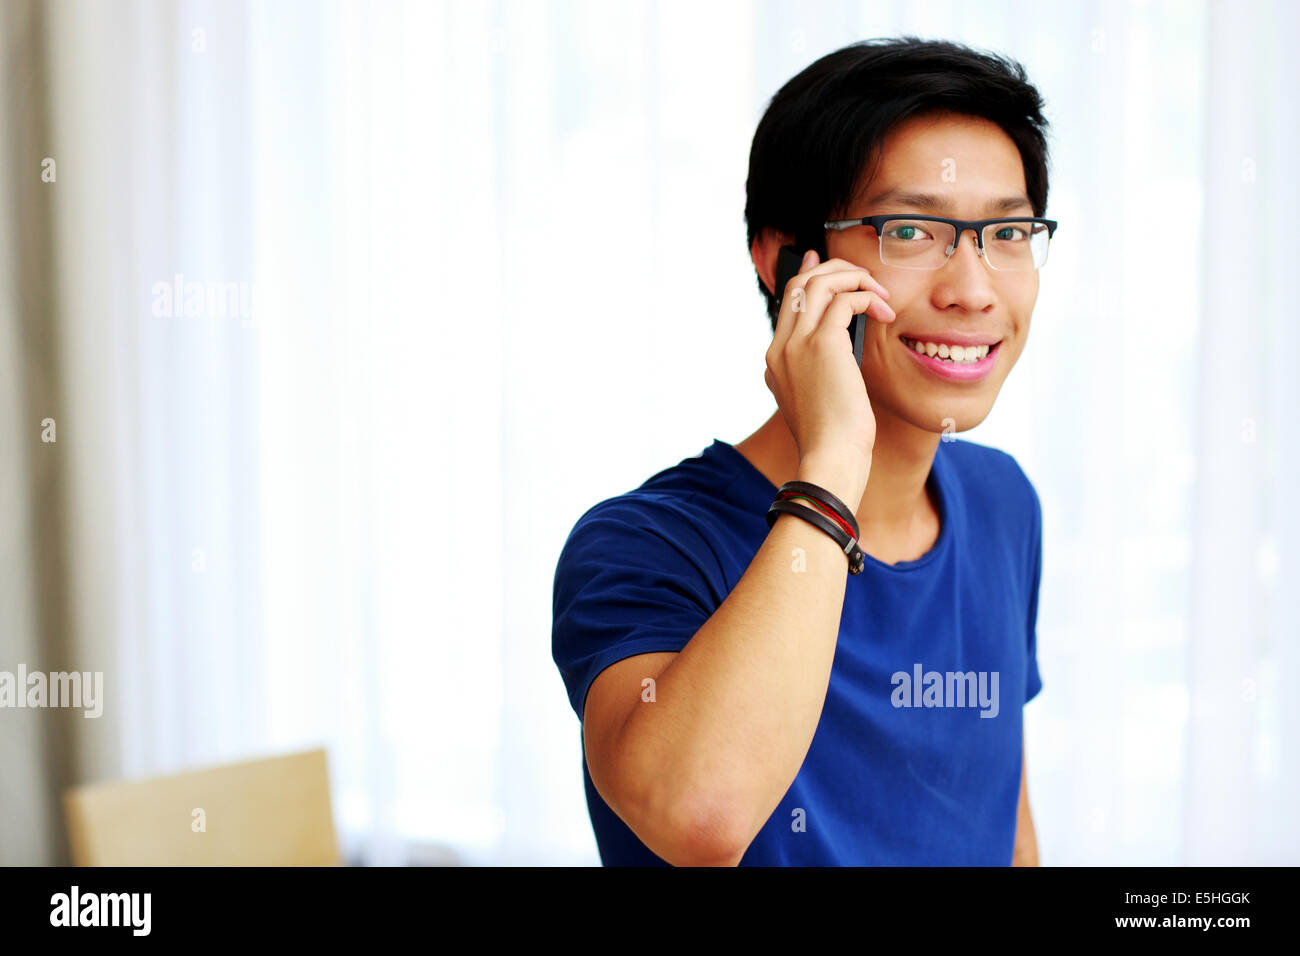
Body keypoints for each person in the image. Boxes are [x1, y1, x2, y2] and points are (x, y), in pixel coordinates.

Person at [552, 36, 1054, 866]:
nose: (972, 289)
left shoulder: (1002, 504)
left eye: (1006, 232)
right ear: (786, 262)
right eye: (910, 230)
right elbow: (699, 815)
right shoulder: (643, 545)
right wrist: (833, 464)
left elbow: (1003, 823)